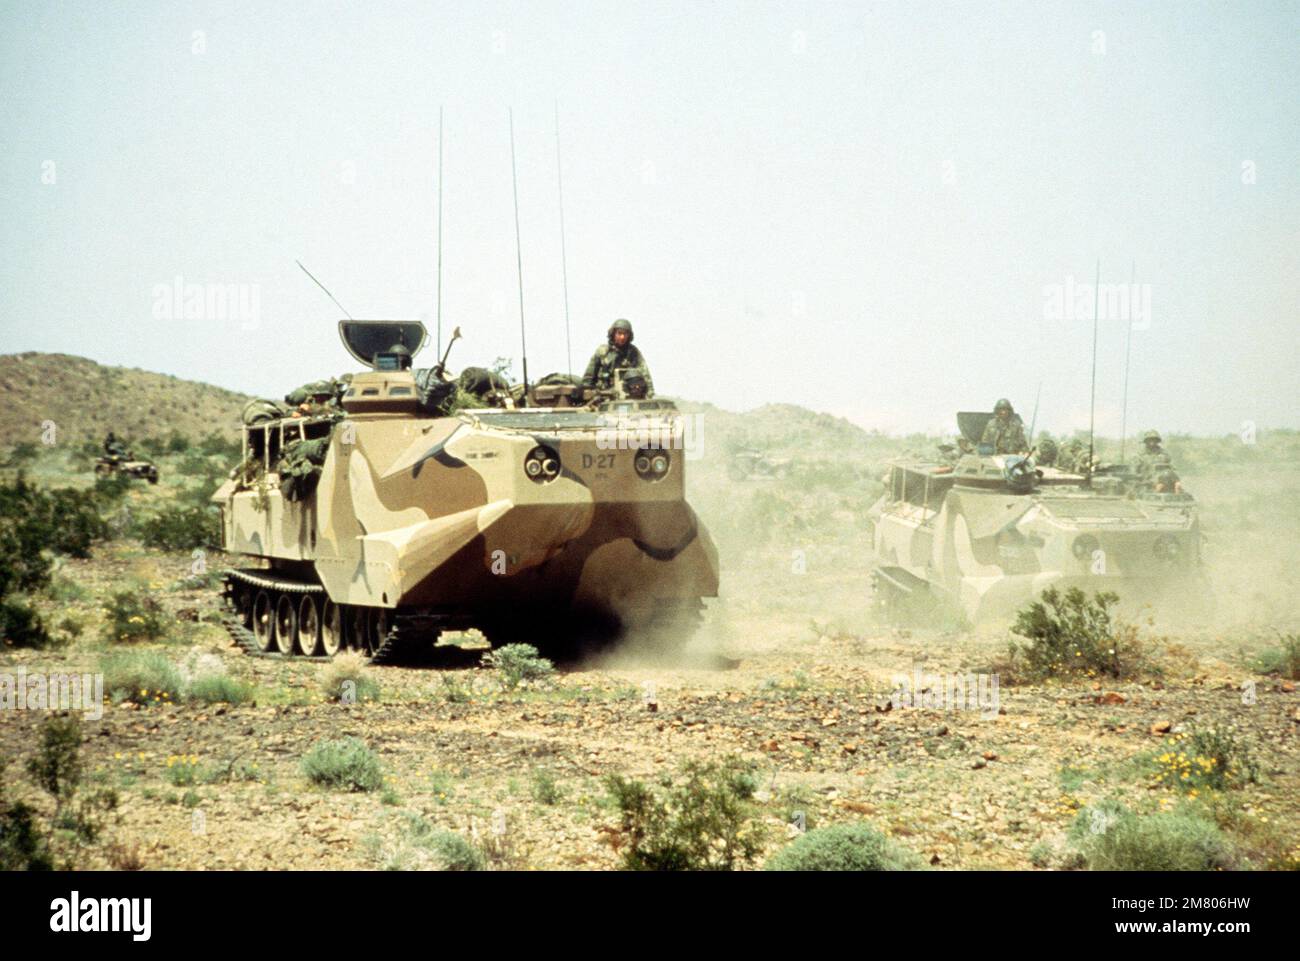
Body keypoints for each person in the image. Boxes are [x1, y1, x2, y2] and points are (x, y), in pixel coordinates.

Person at [582, 319, 654, 397]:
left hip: (627, 396)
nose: (622, 337)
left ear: (629, 335)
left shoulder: (633, 353)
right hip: (602, 396)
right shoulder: (602, 352)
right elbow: (588, 377)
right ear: (613, 334)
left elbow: (645, 376)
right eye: (619, 333)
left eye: (625, 334)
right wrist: (586, 393)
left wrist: (650, 394)